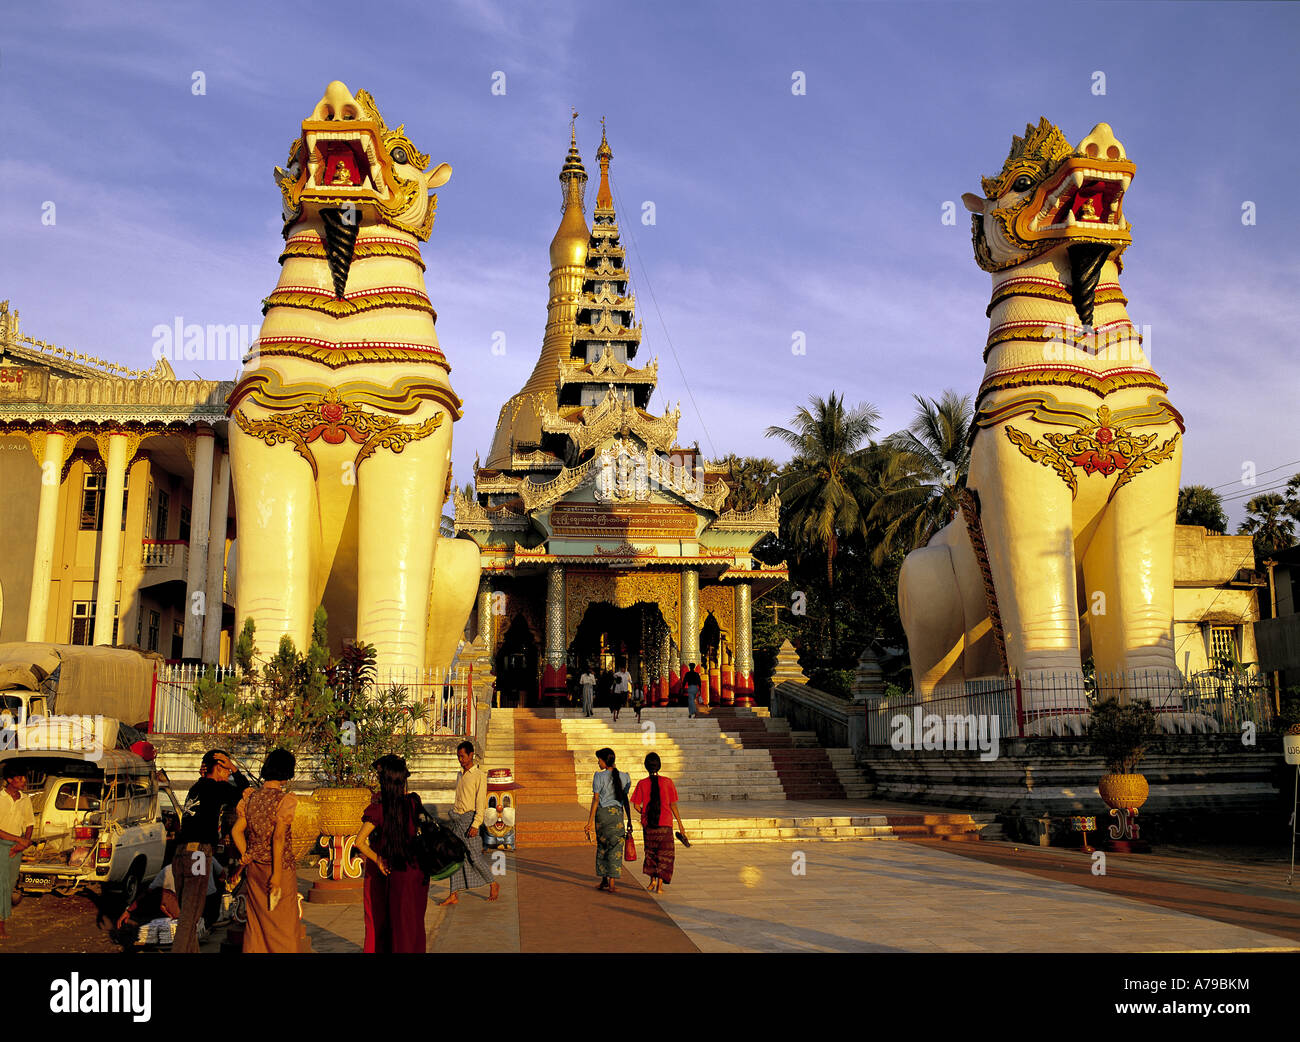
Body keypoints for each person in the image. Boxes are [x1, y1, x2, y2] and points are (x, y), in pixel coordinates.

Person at [172, 749, 248, 953]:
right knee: (190, 915)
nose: (228, 774)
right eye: (226, 768)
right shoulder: (215, 788)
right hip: (197, 854)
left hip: (179, 854)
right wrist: (234, 768)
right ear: (219, 766)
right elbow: (247, 792)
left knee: (189, 914)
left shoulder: (196, 787)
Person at [231, 748, 303, 953]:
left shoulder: (250, 798)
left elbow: (236, 831)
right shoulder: (285, 800)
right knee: (284, 926)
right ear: (287, 772)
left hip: (255, 868)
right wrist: (277, 875)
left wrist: (247, 854)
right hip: (278, 868)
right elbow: (278, 837)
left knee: (256, 924)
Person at [355, 755, 428, 953]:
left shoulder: (379, 808)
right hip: (417, 871)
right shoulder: (413, 803)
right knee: (413, 924)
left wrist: (378, 860)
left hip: (393, 871)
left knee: (390, 924)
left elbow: (359, 842)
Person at [439, 741, 499, 905]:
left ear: (471, 755)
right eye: (458, 756)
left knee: (474, 857)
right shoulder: (460, 774)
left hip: (469, 820)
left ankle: (493, 883)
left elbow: (480, 803)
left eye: (463, 756)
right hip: (457, 819)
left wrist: (475, 824)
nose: (461, 759)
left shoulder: (479, 776)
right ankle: (453, 893)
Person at [631, 752, 688, 894]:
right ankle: (660, 886)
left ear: (646, 766)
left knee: (651, 853)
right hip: (666, 825)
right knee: (664, 855)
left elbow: (636, 806)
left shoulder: (642, 783)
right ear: (659, 766)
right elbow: (673, 805)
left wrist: (646, 813)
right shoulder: (668, 782)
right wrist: (680, 825)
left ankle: (652, 881)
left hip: (649, 825)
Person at [584, 747, 631, 894]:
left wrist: (589, 821)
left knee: (602, 846)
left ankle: (604, 880)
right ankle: (611, 882)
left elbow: (596, 799)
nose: (598, 762)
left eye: (599, 759)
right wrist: (629, 819)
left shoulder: (599, 777)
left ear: (605, 761)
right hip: (617, 815)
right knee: (615, 847)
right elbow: (625, 799)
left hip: (602, 816)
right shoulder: (625, 777)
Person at [0, 762, 35, 940]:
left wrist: (24, 843)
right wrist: (17, 840)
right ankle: (1, 925)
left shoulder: (25, 799)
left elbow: (29, 823)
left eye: (24, 777)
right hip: (2, 845)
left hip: (17, 847)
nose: (23, 781)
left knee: (10, 884)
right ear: (9, 780)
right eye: (19, 778)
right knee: (2, 886)